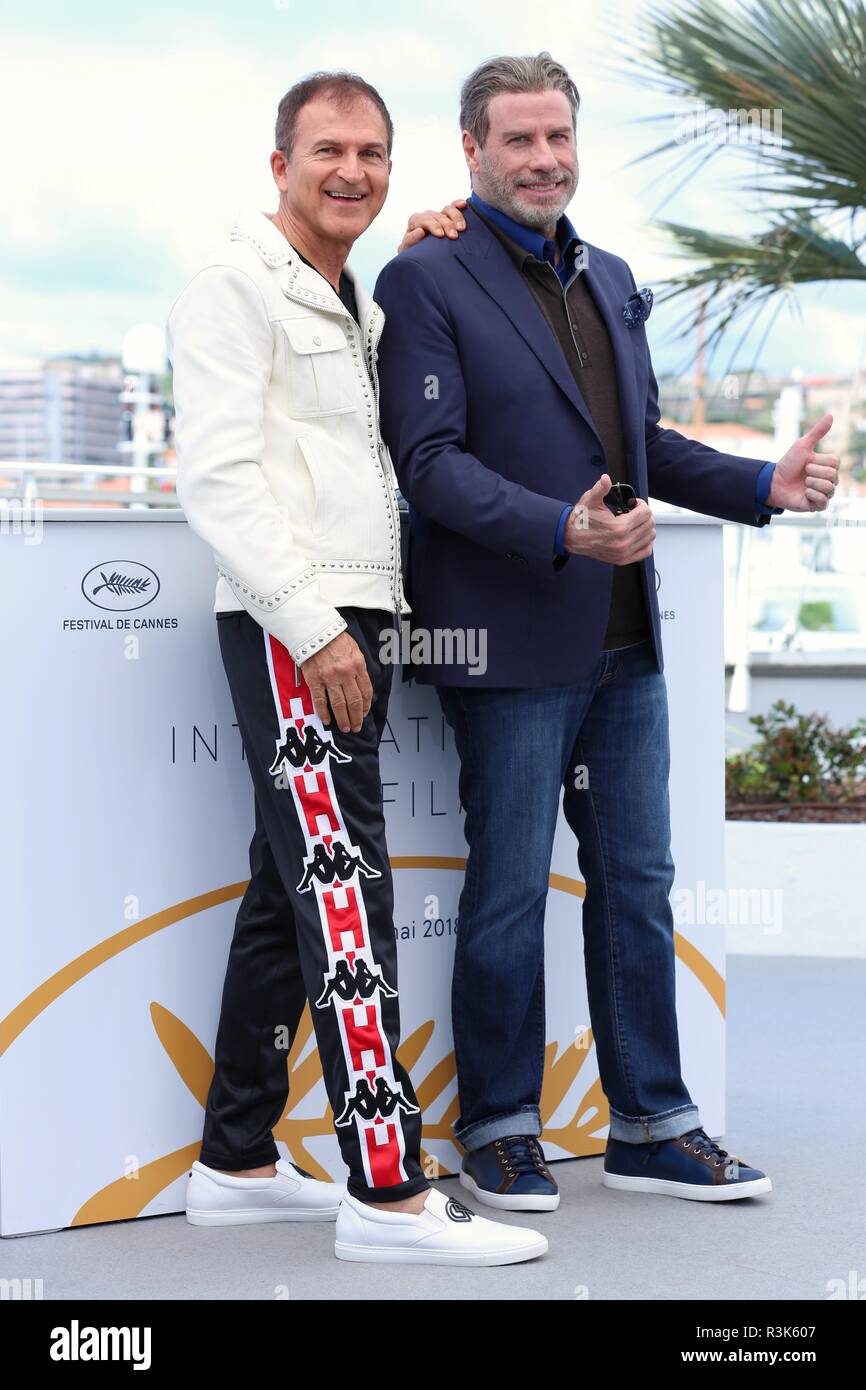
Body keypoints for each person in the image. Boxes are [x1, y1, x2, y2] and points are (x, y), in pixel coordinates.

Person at [375, 51, 839, 1211]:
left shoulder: (609, 273)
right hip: (506, 638)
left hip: (626, 646)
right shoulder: (423, 277)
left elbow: (639, 443)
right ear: (471, 151)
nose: (541, 159)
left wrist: (760, 484)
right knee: (506, 892)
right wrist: (560, 530)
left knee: (638, 882)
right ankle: (497, 1126)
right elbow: (428, 469)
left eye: (557, 138)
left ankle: (650, 1124)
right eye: (516, 140)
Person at [165, 69, 547, 1266]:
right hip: (300, 625)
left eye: (372, 155)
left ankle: (232, 1158)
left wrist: (443, 219)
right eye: (327, 151)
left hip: (356, 617)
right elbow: (217, 479)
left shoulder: (353, 298)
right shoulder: (235, 289)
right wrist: (311, 625)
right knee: (344, 889)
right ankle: (385, 1195)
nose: (352, 172)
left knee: (290, 895)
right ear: (277, 164)